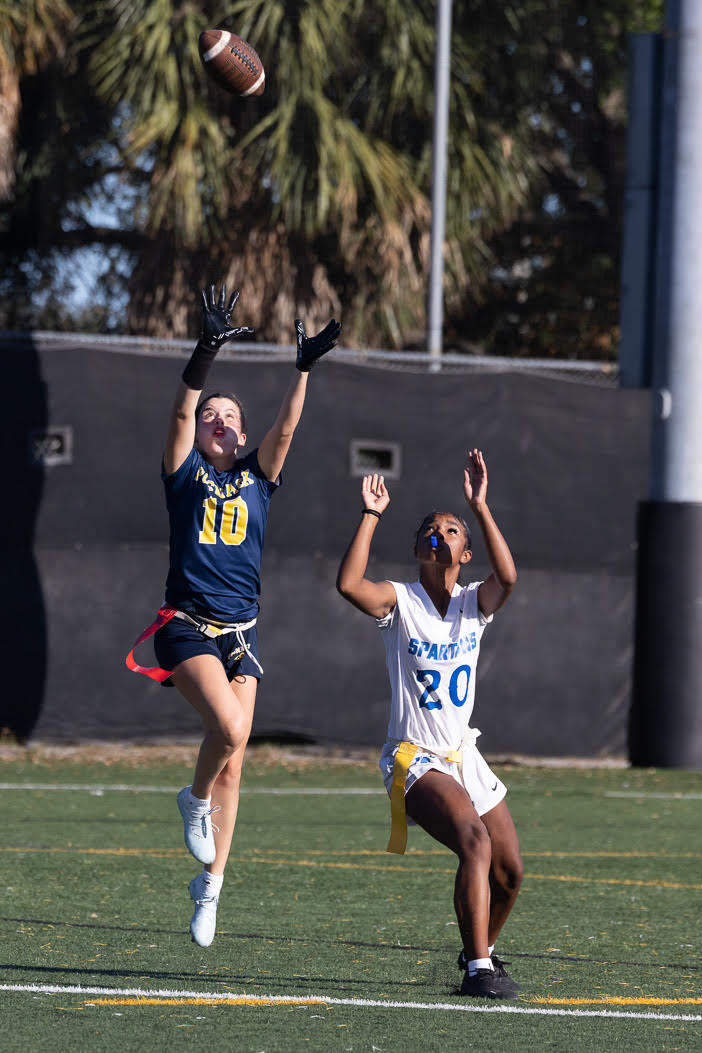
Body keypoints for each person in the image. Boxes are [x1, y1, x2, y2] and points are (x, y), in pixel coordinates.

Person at [127, 282, 340, 947]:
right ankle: (192, 800)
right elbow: (178, 415)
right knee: (228, 723)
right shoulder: (184, 473)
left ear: (242, 433)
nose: (216, 419)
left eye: (228, 415)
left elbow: (289, 426)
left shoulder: (257, 476)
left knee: (238, 755)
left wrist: (302, 368)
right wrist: (206, 349)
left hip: (241, 633)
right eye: (211, 414)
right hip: (186, 624)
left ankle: (211, 885)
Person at [335, 452, 523, 999]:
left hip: (464, 754)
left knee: (509, 874)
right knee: (474, 840)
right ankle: (479, 972)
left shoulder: (473, 602)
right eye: (430, 530)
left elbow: (507, 577)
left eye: (450, 530)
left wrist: (480, 508)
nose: (439, 535)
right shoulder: (401, 600)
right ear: (419, 549)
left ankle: (476, 951)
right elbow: (349, 584)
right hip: (414, 757)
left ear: (466, 551)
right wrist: (371, 515)